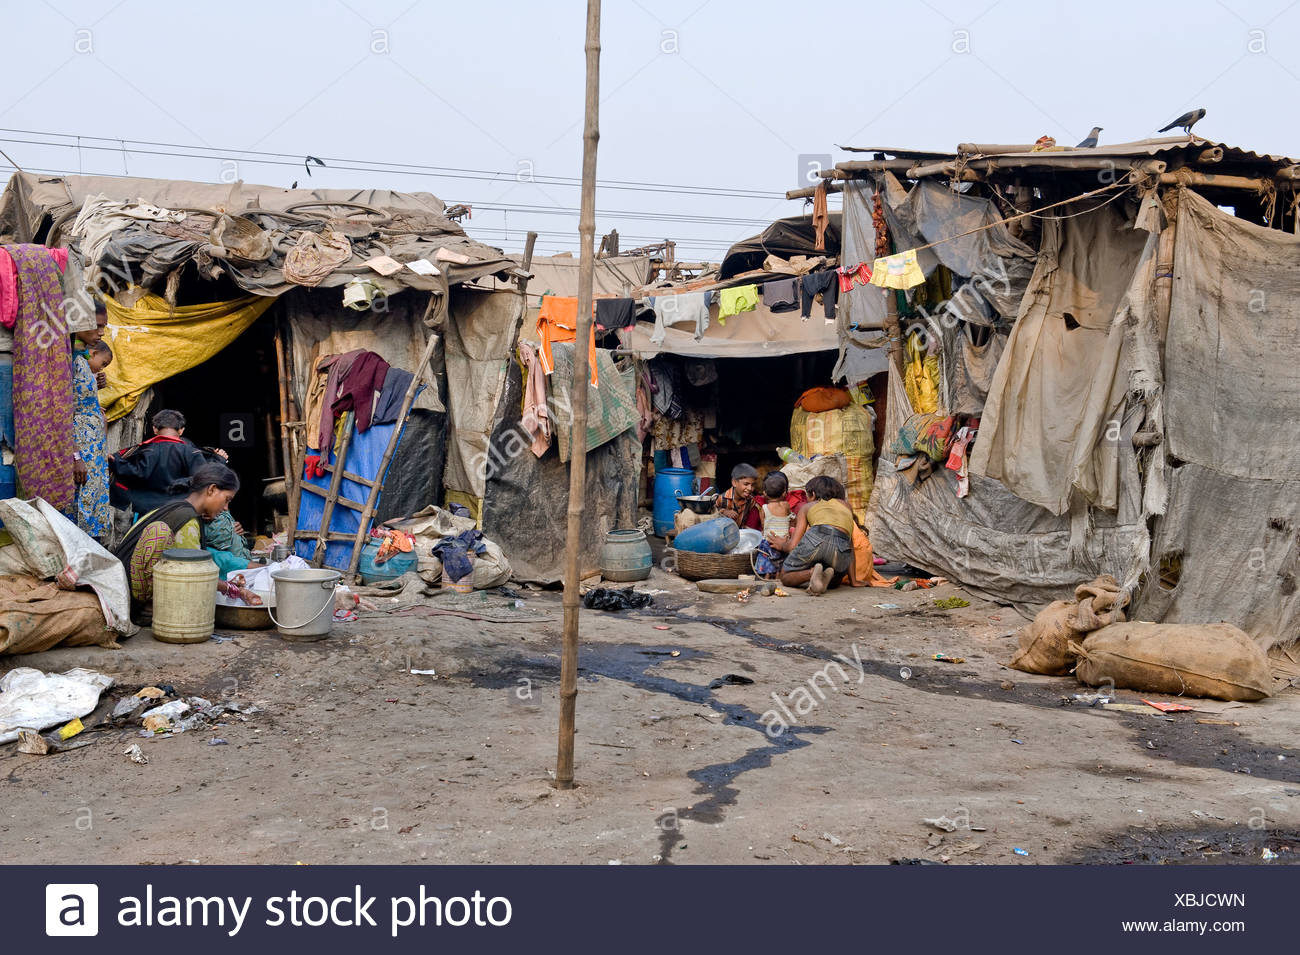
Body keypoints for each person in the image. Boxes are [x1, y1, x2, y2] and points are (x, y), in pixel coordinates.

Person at [113, 462, 242, 619]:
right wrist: (231, 588)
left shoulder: (170, 508)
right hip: (131, 602)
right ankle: (150, 608)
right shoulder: (186, 520)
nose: (226, 508)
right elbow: (195, 575)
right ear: (212, 489)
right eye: (227, 499)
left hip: (118, 591)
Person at [109, 409, 227, 515]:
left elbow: (134, 473)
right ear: (181, 430)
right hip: (181, 512)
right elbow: (204, 477)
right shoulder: (191, 451)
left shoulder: (144, 450)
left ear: (155, 429)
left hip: (148, 513)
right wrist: (219, 460)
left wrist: (115, 462)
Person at [780, 475, 861, 595]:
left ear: (812, 494)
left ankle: (811, 573)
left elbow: (792, 545)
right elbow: (850, 545)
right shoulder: (846, 506)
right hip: (841, 545)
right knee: (836, 581)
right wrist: (854, 581)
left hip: (816, 537)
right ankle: (823, 577)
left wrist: (781, 545)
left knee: (786, 576)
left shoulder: (807, 507)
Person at [70, 306, 110, 541]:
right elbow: (64, 410)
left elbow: (81, 395)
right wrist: (76, 456)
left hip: (93, 451)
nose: (102, 332)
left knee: (90, 505)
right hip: (81, 451)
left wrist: (95, 384)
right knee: (78, 508)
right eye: (98, 325)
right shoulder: (67, 360)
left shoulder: (83, 358)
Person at [715, 463, 762, 531]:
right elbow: (711, 512)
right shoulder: (721, 498)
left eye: (753, 485)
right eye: (746, 484)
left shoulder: (751, 501)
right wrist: (723, 511)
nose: (750, 488)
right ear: (734, 482)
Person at [760, 471, 793, 551]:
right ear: (784, 493)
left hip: (769, 542)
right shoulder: (786, 505)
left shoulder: (764, 508)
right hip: (785, 541)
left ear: (764, 493)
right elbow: (791, 518)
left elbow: (763, 524)